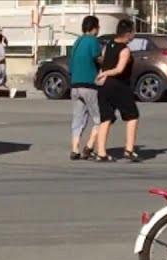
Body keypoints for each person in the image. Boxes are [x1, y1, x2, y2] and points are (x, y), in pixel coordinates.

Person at [92, 20, 140, 162]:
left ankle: (101, 152)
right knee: (132, 115)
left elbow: (105, 61)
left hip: (104, 86)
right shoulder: (125, 49)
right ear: (128, 33)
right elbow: (119, 69)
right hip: (118, 84)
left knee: (106, 117)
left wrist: (103, 74)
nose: (133, 35)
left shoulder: (109, 45)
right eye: (133, 32)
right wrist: (106, 73)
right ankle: (129, 149)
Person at [68, 15, 102, 161]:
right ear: (94, 28)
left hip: (75, 85)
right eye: (98, 27)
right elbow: (97, 58)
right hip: (89, 85)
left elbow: (71, 65)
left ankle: (75, 149)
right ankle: (89, 146)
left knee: (78, 119)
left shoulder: (77, 41)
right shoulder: (93, 41)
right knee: (100, 118)